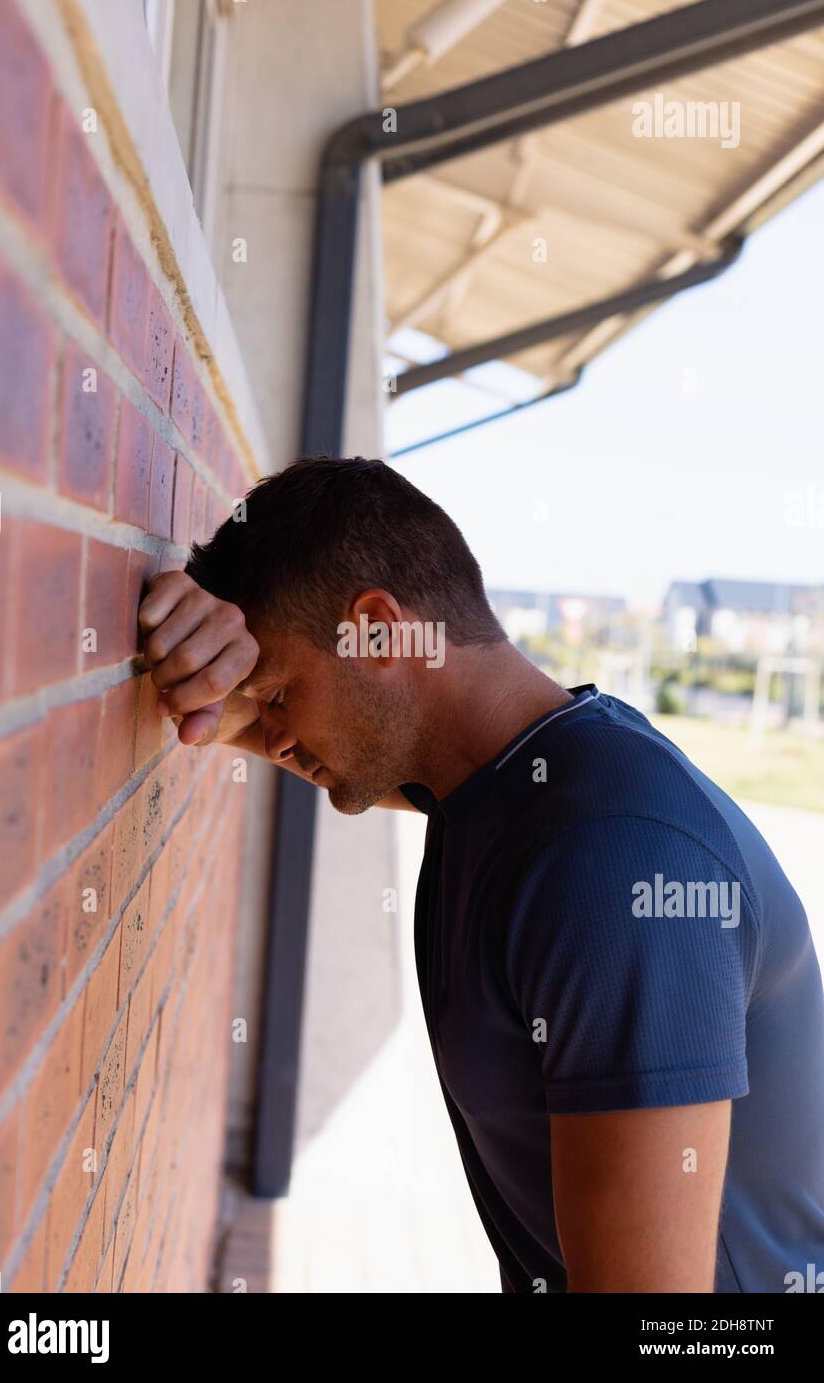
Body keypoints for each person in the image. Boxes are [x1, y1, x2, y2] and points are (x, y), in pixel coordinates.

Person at [137, 456, 824, 1293]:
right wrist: (205, 659)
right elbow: (264, 729)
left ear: (380, 632)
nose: (273, 739)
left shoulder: (613, 859)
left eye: (280, 692)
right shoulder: (508, 784)